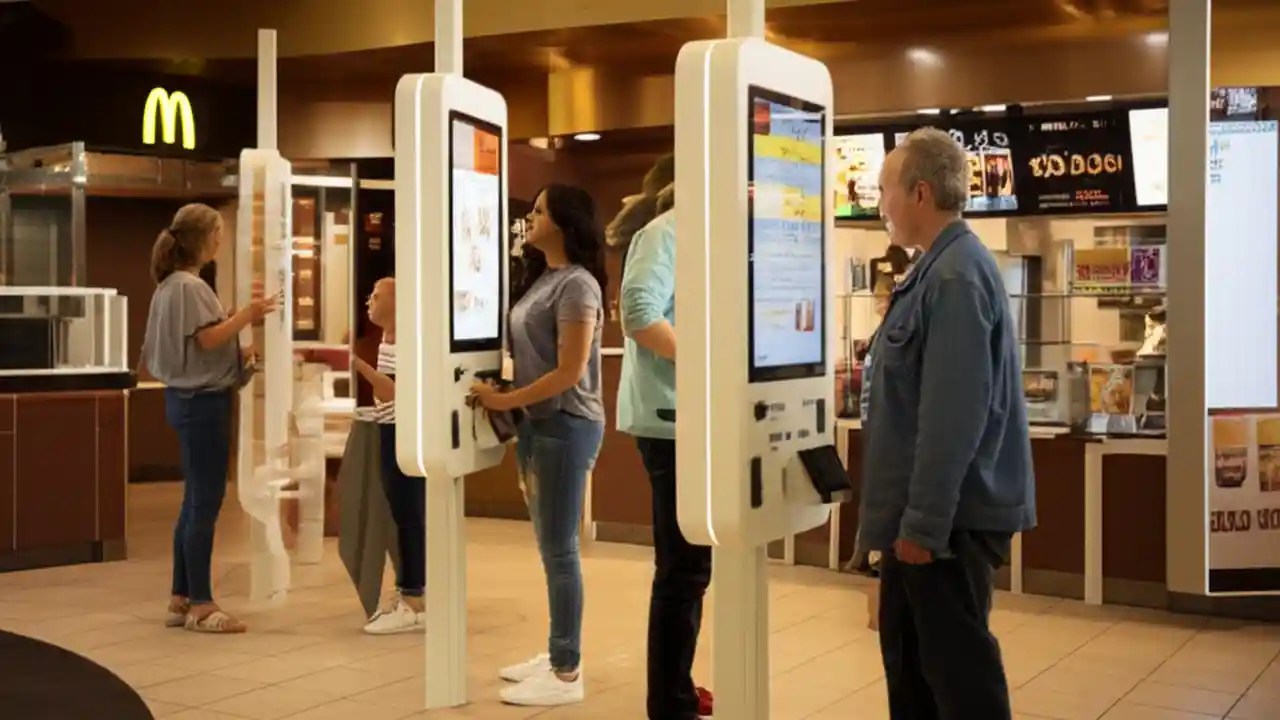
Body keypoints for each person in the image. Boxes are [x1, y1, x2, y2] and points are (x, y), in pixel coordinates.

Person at [860, 127, 1036, 719]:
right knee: (914, 677)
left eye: (884, 189)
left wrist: (924, 525)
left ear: (920, 193)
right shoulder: (936, 270)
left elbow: (953, 414)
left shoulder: (955, 277)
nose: (878, 202)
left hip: (946, 528)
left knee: (959, 681)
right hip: (928, 523)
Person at [471, 184, 607, 707]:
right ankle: (558, 649)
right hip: (538, 423)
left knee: (560, 549)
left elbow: (570, 372)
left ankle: (566, 670)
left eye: (540, 211)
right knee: (551, 548)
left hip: (565, 425)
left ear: (565, 222)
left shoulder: (578, 287)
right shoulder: (544, 279)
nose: (530, 217)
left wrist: (507, 402)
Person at [141, 203, 278, 634]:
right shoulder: (188, 287)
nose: (222, 241)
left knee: (193, 500)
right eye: (218, 234)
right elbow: (206, 339)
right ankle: (201, 602)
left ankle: (181, 594)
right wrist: (247, 316)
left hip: (184, 401)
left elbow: (202, 340)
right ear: (204, 239)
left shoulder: (170, 287)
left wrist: (239, 340)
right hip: (202, 404)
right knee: (205, 502)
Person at [617, 163, 715, 720]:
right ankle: (669, 700)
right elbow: (637, 313)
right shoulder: (666, 232)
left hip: (691, 418)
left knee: (691, 569)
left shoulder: (697, 237)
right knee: (682, 570)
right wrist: (700, 364)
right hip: (669, 420)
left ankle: (677, 684)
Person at [350, 277, 427, 635]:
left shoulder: (408, 340)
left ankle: (414, 598)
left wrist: (355, 364)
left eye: (377, 295)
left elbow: (393, 391)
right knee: (401, 514)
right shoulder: (388, 338)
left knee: (409, 515)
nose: (370, 301)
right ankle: (409, 590)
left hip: (404, 433)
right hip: (389, 430)